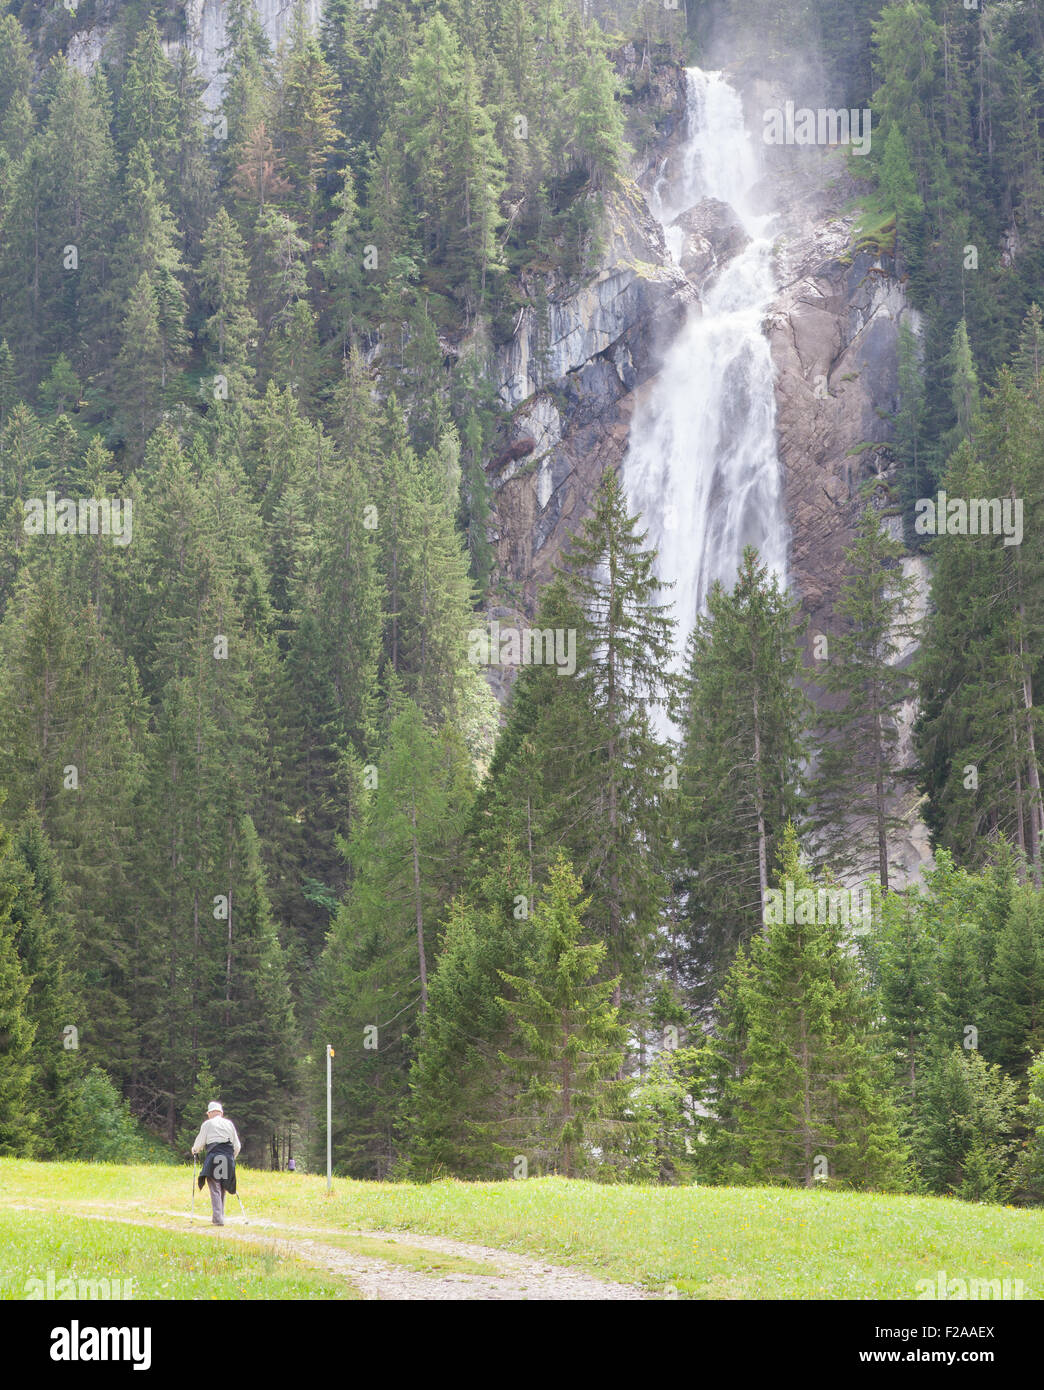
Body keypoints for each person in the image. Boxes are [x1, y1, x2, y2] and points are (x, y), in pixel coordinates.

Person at [191, 1101, 242, 1226]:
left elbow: (200, 1142)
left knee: (214, 1187)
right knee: (223, 1186)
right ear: (221, 1113)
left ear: (210, 1113)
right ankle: (220, 1216)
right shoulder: (229, 1124)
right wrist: (232, 1157)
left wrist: (195, 1150)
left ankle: (218, 1219)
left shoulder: (207, 1124)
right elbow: (237, 1145)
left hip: (214, 1157)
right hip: (227, 1157)